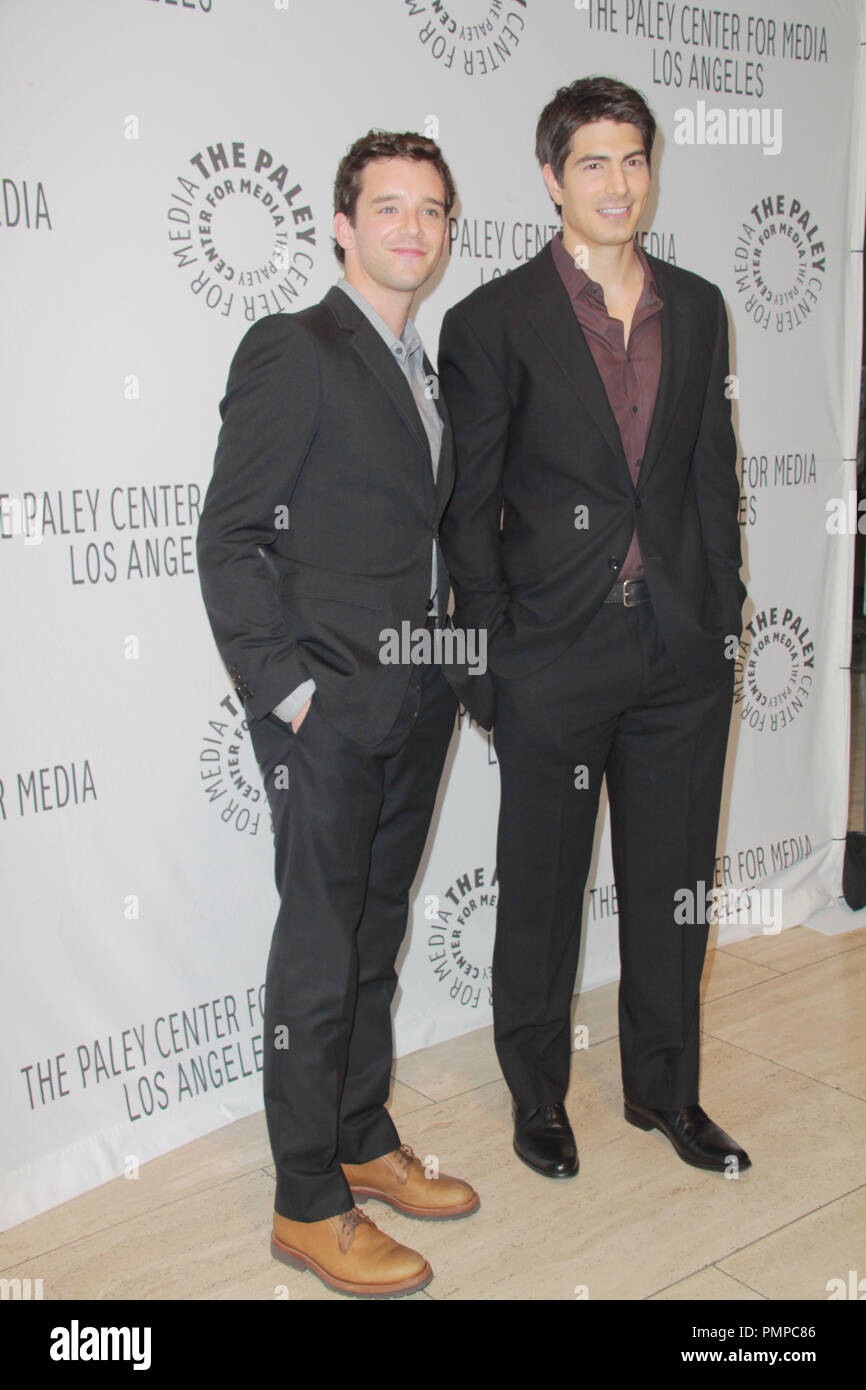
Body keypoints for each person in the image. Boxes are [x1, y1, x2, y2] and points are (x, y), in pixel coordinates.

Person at [438, 78, 750, 1182]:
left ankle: (664, 1092)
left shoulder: (701, 305)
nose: (617, 184)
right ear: (549, 178)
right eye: (593, 164)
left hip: (677, 653)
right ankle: (537, 1099)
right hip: (550, 659)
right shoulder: (489, 321)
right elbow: (466, 512)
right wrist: (489, 670)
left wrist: (726, 613)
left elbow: (709, 483)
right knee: (539, 893)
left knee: (672, 887)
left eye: (632, 160)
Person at [197, 130, 490, 1298]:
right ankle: (304, 1199)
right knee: (319, 952)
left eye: (430, 210)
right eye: (387, 208)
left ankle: (362, 1137)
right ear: (340, 224)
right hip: (327, 711)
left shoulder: (424, 368)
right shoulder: (294, 347)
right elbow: (229, 540)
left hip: (413, 700)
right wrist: (291, 695)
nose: (411, 228)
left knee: (374, 932)